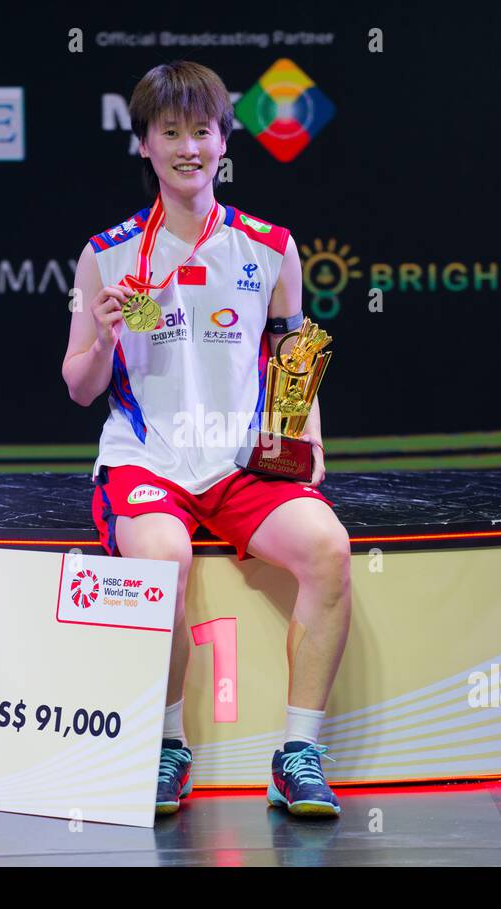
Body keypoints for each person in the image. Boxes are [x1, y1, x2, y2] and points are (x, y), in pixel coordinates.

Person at [61, 61, 352, 816]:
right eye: (170, 133)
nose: (188, 147)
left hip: (236, 463)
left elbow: (293, 354)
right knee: (162, 557)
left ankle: (299, 754)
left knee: (327, 546)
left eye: (202, 131)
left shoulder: (270, 246)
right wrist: (103, 335)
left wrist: (308, 447)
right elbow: (80, 386)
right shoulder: (108, 255)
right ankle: (168, 749)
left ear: (225, 142)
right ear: (145, 146)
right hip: (146, 457)